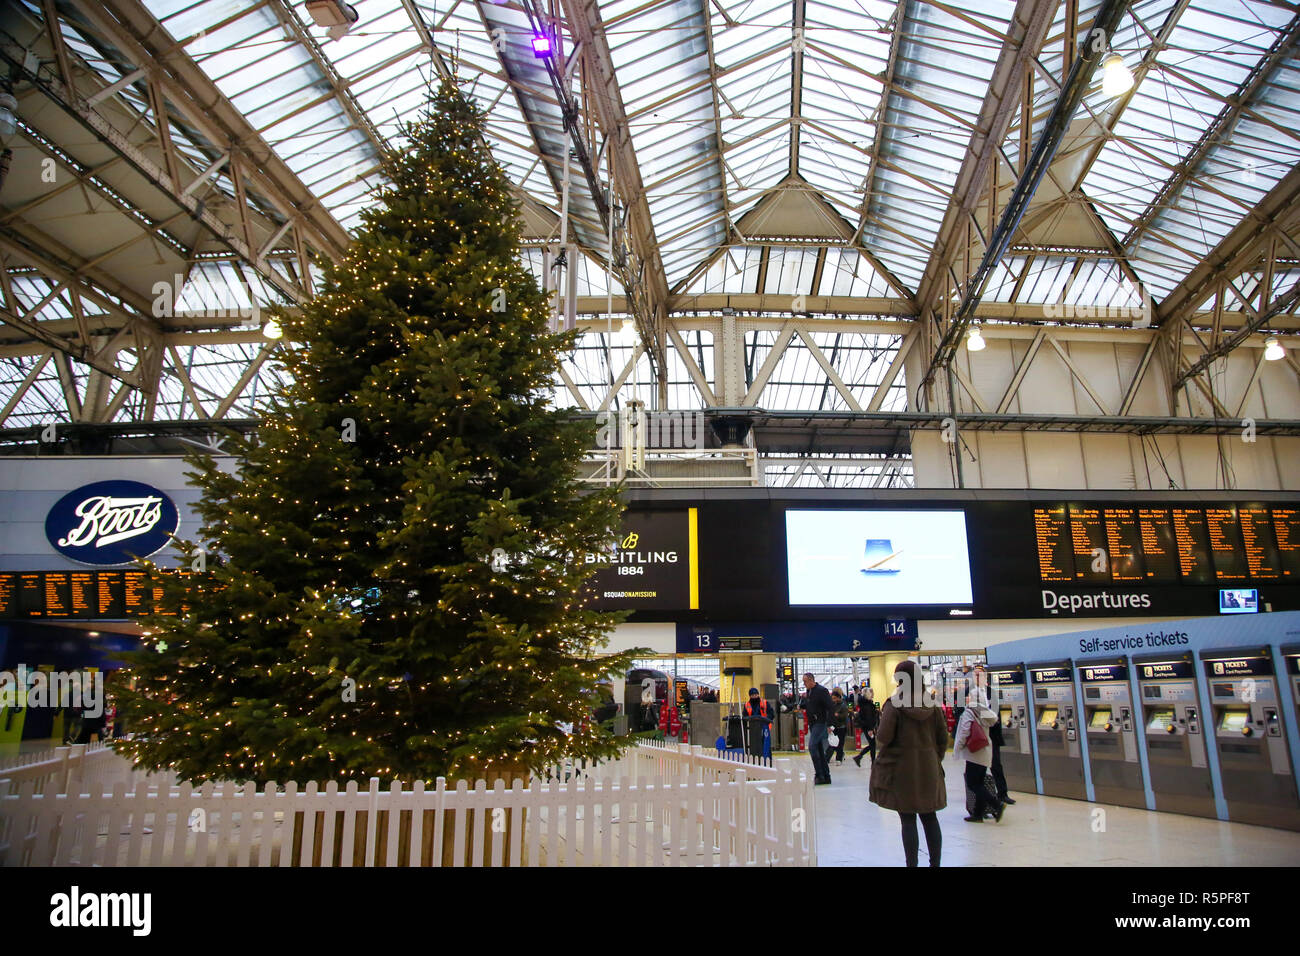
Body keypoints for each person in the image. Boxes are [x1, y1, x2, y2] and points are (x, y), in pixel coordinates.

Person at [869, 660, 947, 866]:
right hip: (929, 768)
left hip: (903, 770)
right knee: (930, 817)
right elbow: (943, 739)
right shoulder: (932, 704)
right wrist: (933, 758)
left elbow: (884, 738)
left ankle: (912, 863)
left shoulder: (895, 705)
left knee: (908, 819)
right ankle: (935, 863)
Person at [953, 680, 1003, 823]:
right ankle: (978, 813)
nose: (967, 697)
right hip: (985, 750)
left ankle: (996, 804)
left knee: (972, 783)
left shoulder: (970, 712)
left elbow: (964, 732)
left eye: (969, 696)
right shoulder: (986, 712)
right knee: (979, 781)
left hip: (974, 752)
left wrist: (957, 749)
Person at [802, 672, 833, 785]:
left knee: (812, 746)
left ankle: (819, 774)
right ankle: (825, 775)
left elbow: (830, 707)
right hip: (813, 723)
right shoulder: (809, 692)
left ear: (811, 680)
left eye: (805, 681)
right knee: (819, 748)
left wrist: (830, 724)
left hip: (820, 723)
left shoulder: (821, 691)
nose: (804, 683)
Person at [853, 687, 878, 766]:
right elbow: (869, 718)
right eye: (872, 693)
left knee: (872, 744)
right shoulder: (868, 706)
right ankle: (871, 762)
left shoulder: (865, 704)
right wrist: (871, 729)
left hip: (866, 726)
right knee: (872, 744)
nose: (873, 694)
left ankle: (860, 757)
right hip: (868, 727)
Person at [828, 688, 849, 765]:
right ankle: (828, 758)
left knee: (839, 744)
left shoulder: (843, 705)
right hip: (834, 727)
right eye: (832, 698)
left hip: (841, 727)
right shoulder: (833, 705)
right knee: (833, 743)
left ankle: (838, 759)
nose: (833, 700)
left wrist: (838, 715)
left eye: (834, 698)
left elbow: (844, 716)